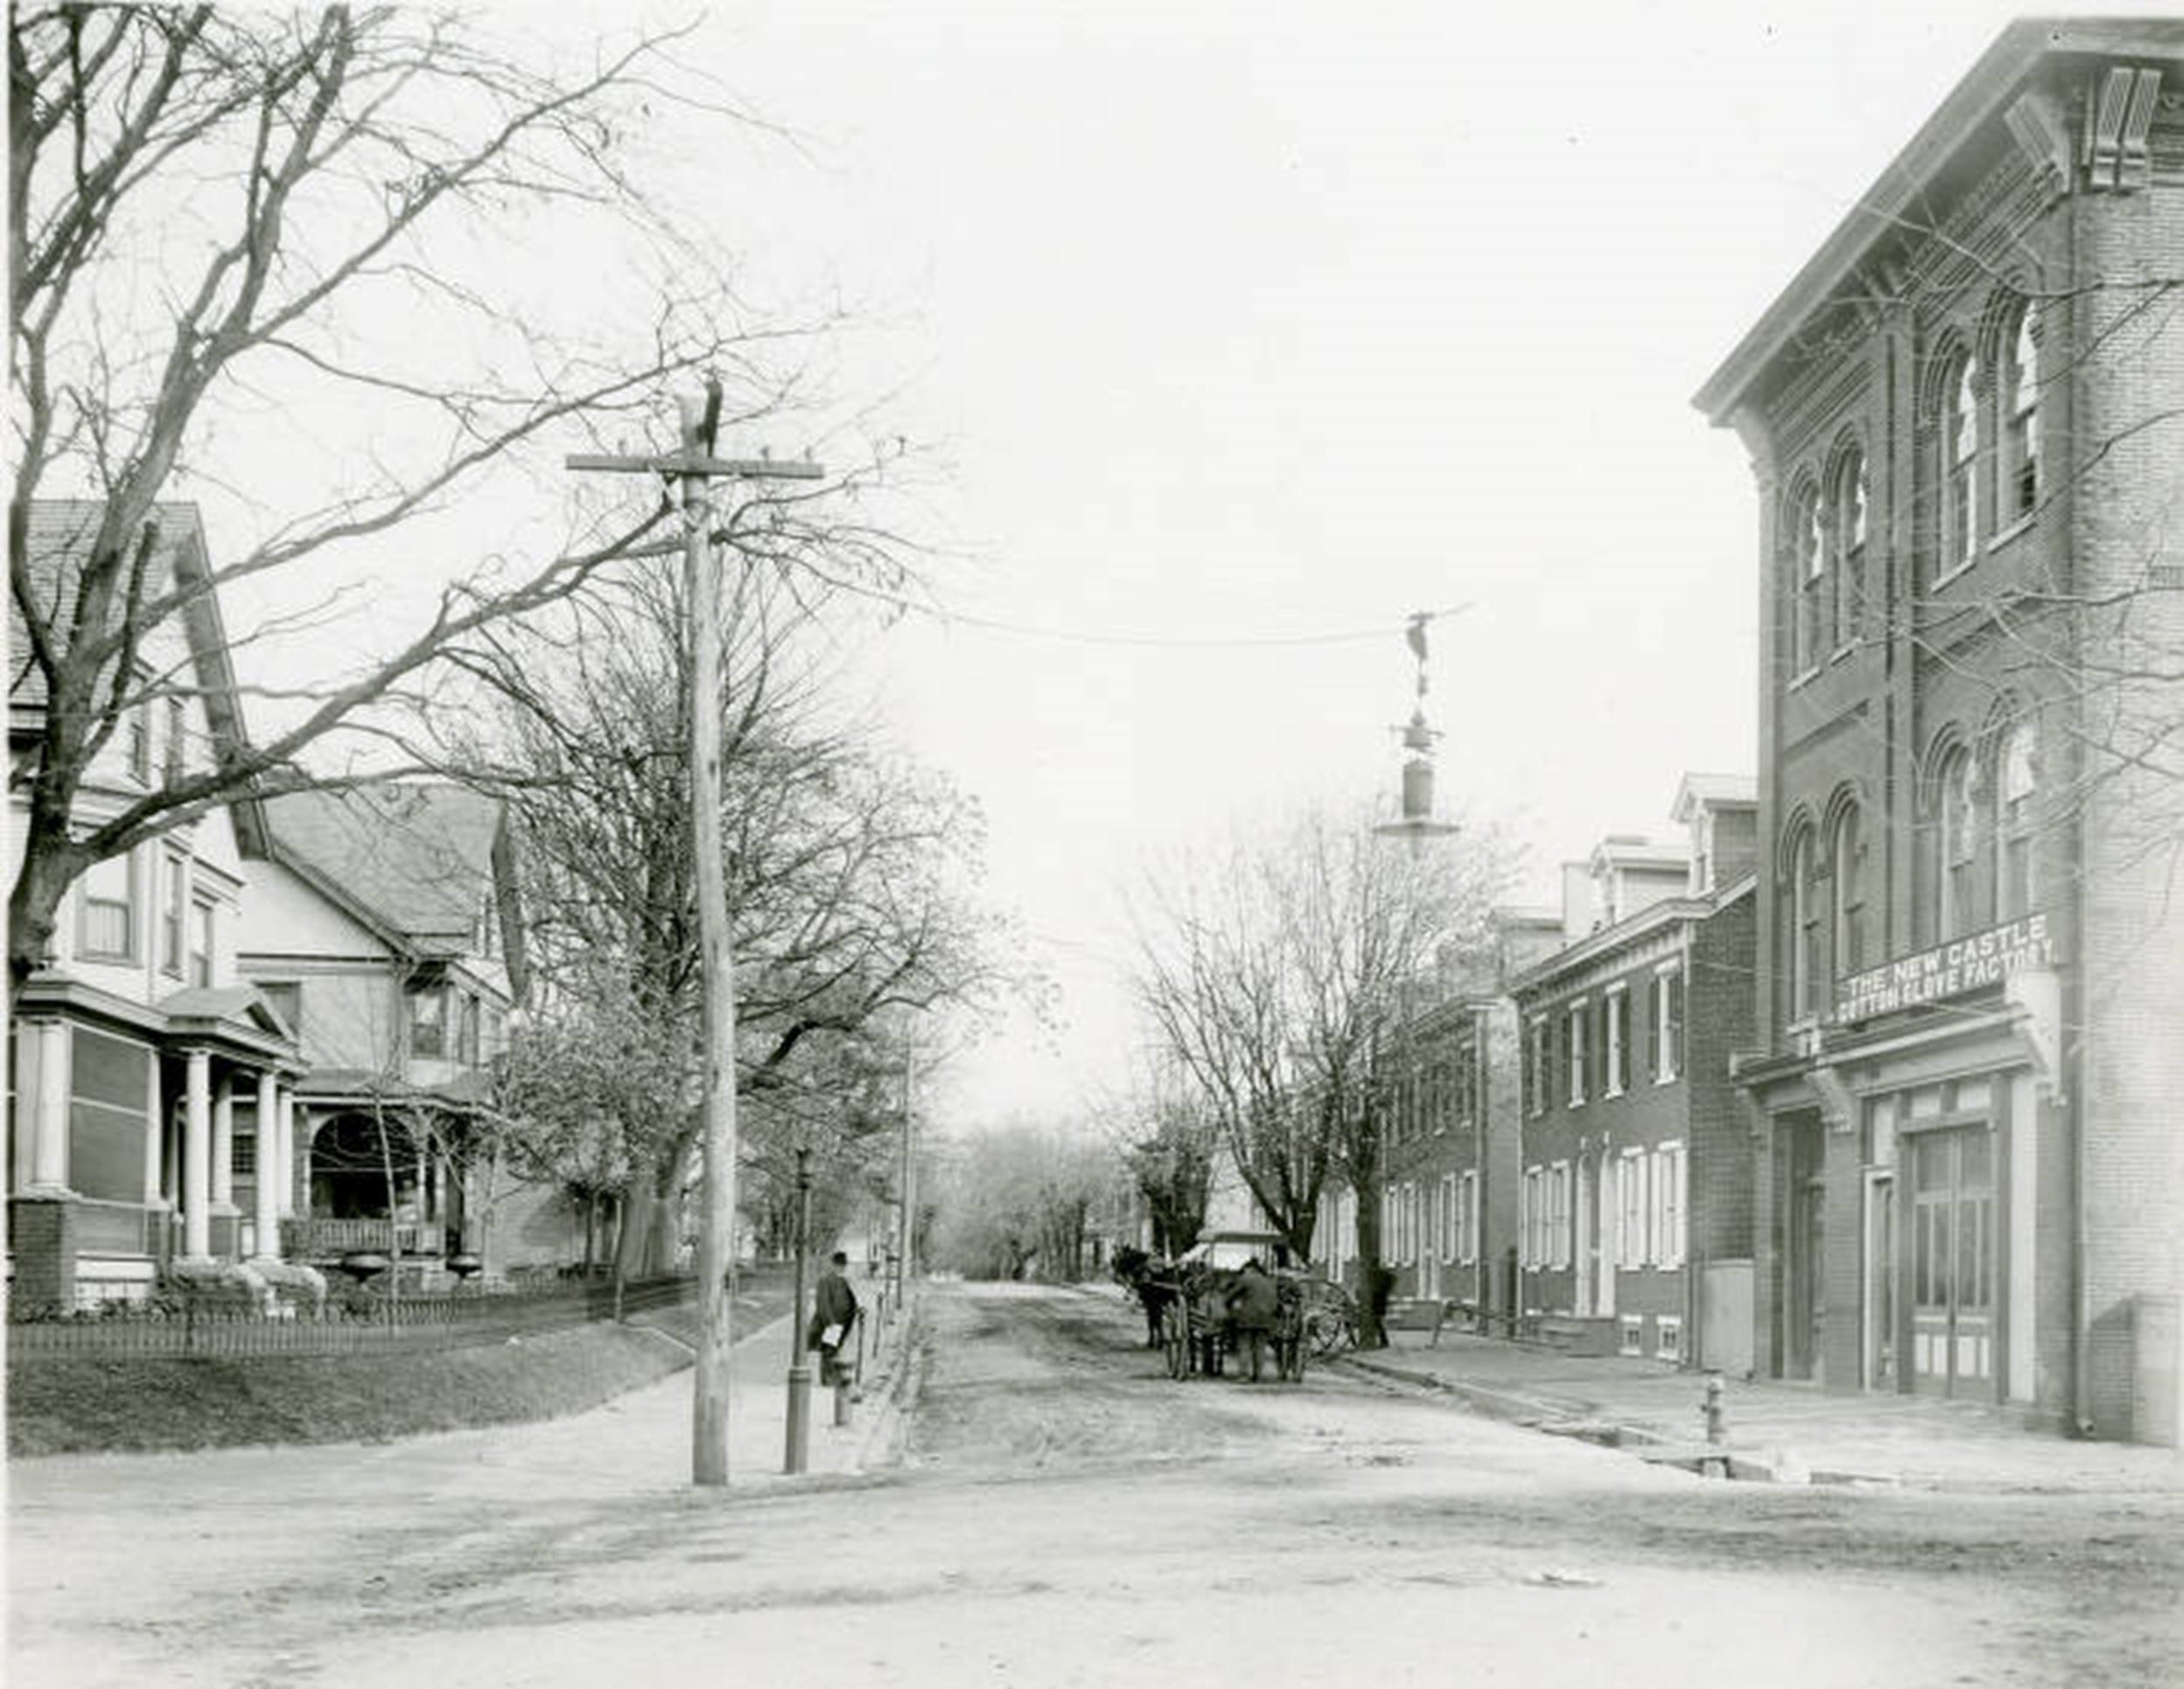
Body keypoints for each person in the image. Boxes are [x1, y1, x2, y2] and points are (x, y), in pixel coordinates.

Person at [808, 1250, 860, 1388]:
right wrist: (830, 1323)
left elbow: (851, 1299)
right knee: (829, 1351)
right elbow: (823, 1303)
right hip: (832, 1323)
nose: (841, 1268)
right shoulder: (825, 1280)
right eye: (838, 1265)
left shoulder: (844, 1281)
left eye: (843, 1265)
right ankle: (827, 1379)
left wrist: (857, 1311)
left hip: (845, 1322)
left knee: (837, 1350)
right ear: (833, 1265)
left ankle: (836, 1377)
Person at [1224, 1257, 1281, 1382]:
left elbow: (1231, 1295)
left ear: (1249, 1269)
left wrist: (1227, 1305)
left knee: (1245, 1345)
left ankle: (1244, 1375)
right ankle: (1258, 1375)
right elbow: (1275, 1301)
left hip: (1247, 1317)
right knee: (1260, 1347)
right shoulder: (1269, 1281)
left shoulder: (1246, 1279)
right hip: (1266, 1318)